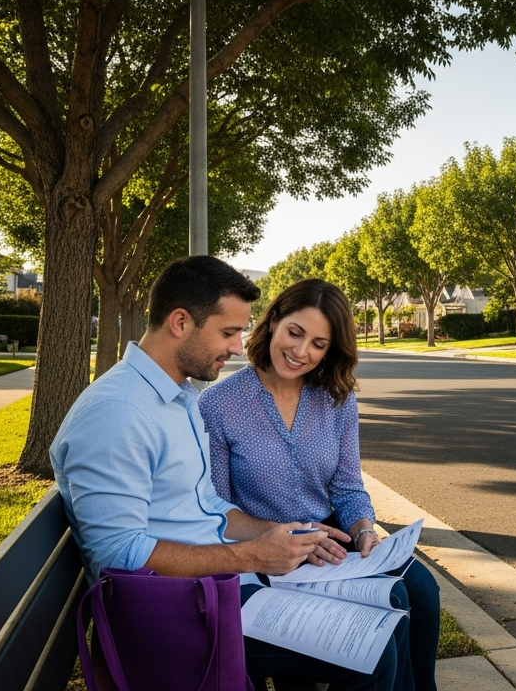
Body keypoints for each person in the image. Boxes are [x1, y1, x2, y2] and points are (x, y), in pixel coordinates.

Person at [51, 256, 412, 690]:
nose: (239, 347)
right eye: (227, 332)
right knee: (370, 650)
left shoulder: (173, 397)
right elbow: (117, 554)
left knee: (393, 606)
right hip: (174, 612)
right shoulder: (117, 413)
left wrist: (282, 534)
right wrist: (252, 556)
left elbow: (211, 508)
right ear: (181, 322)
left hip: (217, 586)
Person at [199, 278, 439, 691]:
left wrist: (363, 527)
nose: (301, 352)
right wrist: (282, 538)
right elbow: (218, 511)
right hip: (267, 552)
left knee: (423, 591)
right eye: (295, 333)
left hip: (332, 540)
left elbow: (348, 486)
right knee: (383, 618)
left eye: (318, 344)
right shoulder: (219, 405)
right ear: (273, 321)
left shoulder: (337, 398)